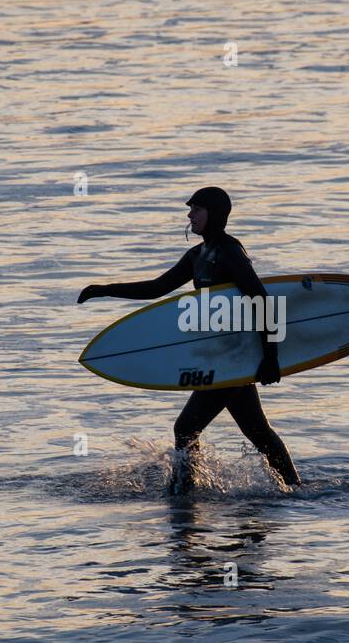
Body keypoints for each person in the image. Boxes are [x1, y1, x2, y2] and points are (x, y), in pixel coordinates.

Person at [77, 187, 302, 491]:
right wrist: (105, 289)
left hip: (230, 359)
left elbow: (261, 302)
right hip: (218, 357)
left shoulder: (230, 252)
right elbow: (158, 287)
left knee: (186, 427)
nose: (189, 215)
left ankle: (185, 492)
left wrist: (270, 358)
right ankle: (294, 488)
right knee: (256, 431)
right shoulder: (198, 255)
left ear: (214, 214)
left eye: (196, 209)